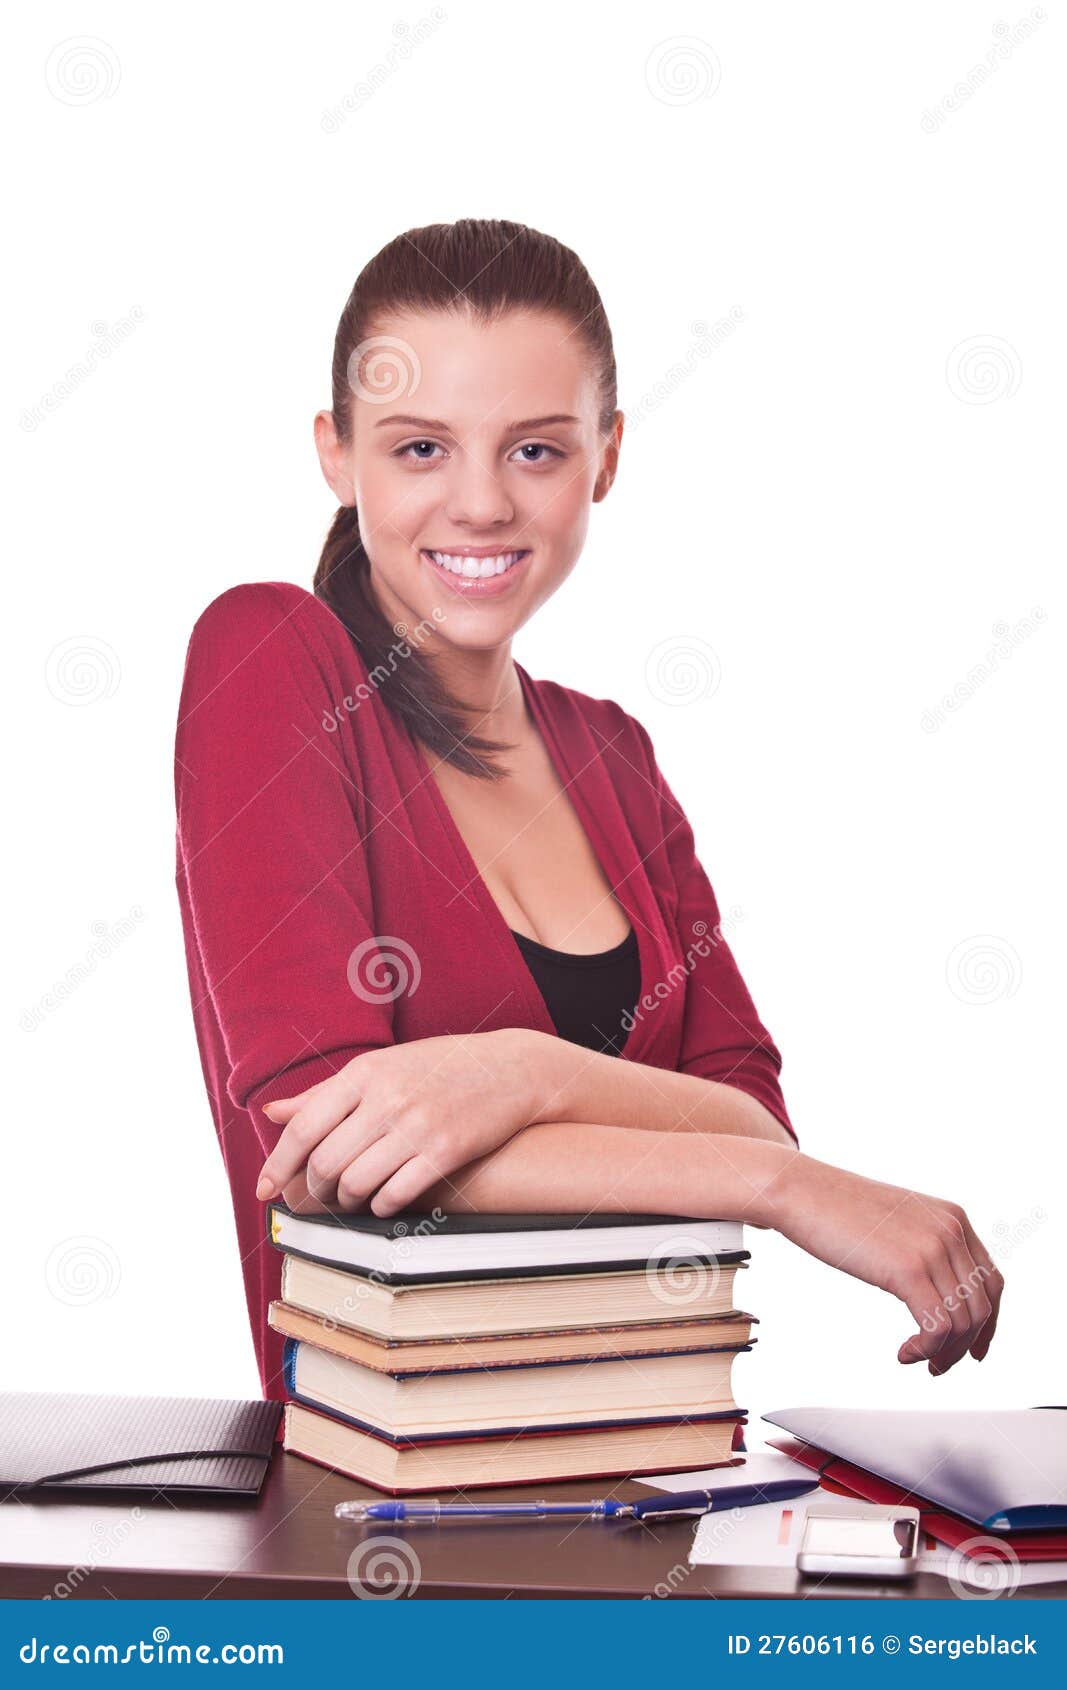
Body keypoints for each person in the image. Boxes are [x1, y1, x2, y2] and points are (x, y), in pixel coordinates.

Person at [174, 219, 1002, 1402]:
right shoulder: (270, 658)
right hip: (390, 1497)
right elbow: (321, 1136)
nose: (477, 504)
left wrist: (522, 1075)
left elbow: (751, 1119)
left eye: (534, 451)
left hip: (663, 1468)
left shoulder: (611, 754)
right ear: (335, 453)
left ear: (604, 457)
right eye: (417, 449)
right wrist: (777, 1188)